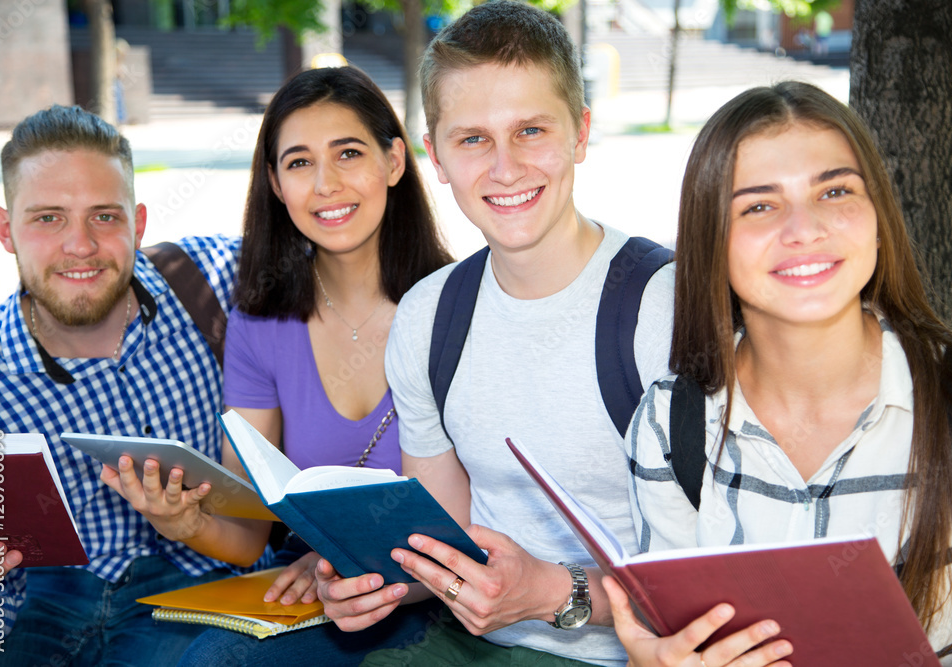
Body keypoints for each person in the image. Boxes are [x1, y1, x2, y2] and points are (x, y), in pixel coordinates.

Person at [309, 3, 788, 665]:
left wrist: (549, 590)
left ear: (581, 133)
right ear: (436, 156)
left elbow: (727, 566)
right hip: (473, 641)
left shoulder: (666, 305)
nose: (504, 167)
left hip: (636, 651)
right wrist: (373, 582)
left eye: (531, 130)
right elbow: (445, 545)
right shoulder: (428, 316)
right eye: (472, 138)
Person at [614, 81, 952, 665]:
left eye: (834, 191)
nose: (804, 229)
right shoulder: (668, 424)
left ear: (879, 217)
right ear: (712, 241)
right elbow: (666, 640)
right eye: (759, 205)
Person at [102, 66, 453, 666]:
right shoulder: (259, 321)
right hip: (321, 596)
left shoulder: (460, 305)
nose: (326, 184)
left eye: (348, 153)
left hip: (453, 598)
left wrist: (346, 562)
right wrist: (179, 521)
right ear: (275, 182)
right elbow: (247, 533)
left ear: (394, 161)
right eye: (298, 163)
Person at [0, 105, 248, 664]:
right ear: (5, 230)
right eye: (48, 218)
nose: (80, 245)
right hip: (37, 609)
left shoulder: (210, 281)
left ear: (138, 222)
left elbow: (349, 275)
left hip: (200, 592)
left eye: (104, 216)